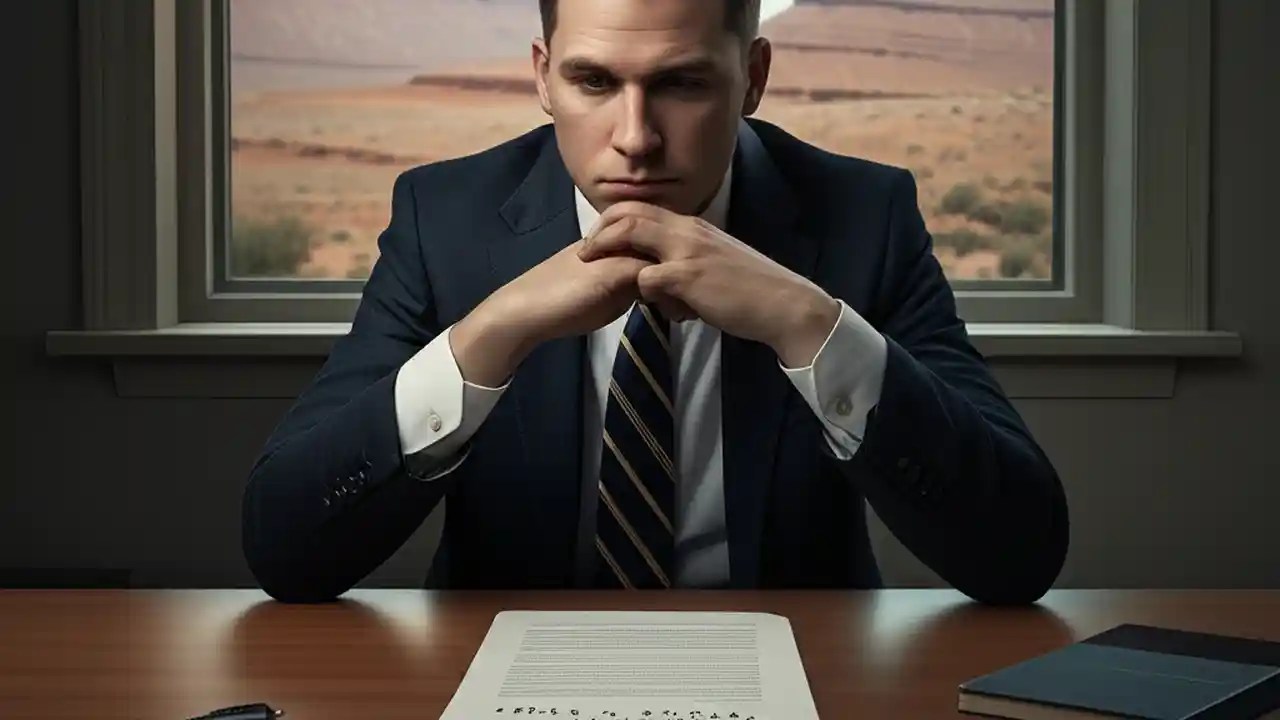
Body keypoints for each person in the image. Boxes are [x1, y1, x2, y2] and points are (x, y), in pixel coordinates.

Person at [241, 0, 1069, 604]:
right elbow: (284, 549)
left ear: (752, 78)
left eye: (681, 84)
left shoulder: (864, 218)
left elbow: (1020, 555)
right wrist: (484, 339)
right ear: (542, 77)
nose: (636, 137)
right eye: (594, 81)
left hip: (806, 677)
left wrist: (810, 327)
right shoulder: (443, 221)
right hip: (496, 677)